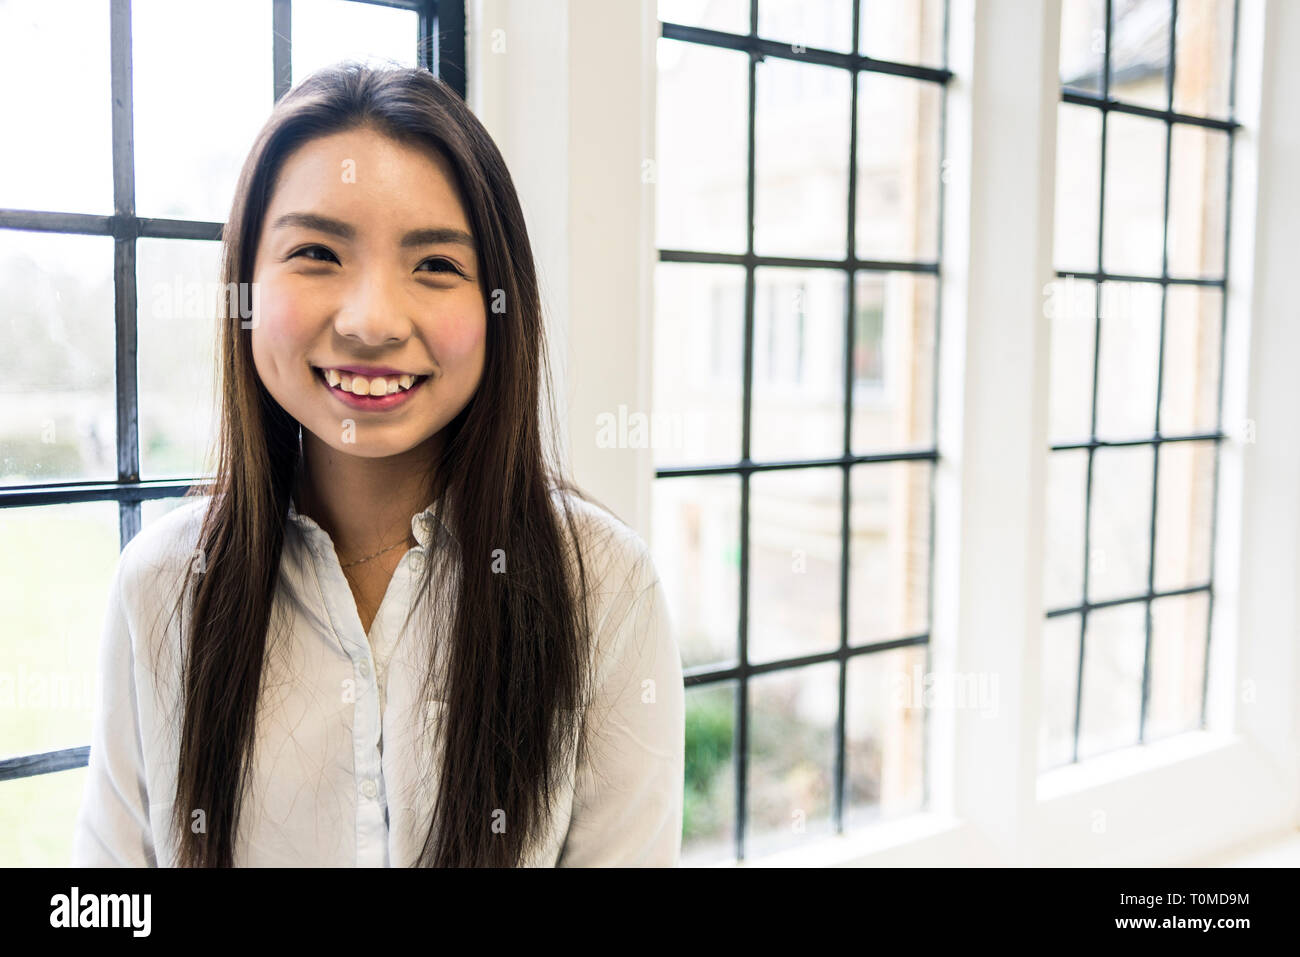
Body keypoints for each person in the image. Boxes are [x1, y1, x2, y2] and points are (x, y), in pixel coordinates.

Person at [71, 61, 684, 867]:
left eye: (435, 265)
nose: (371, 322)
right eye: (318, 252)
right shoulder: (160, 586)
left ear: (502, 306)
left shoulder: (602, 587)